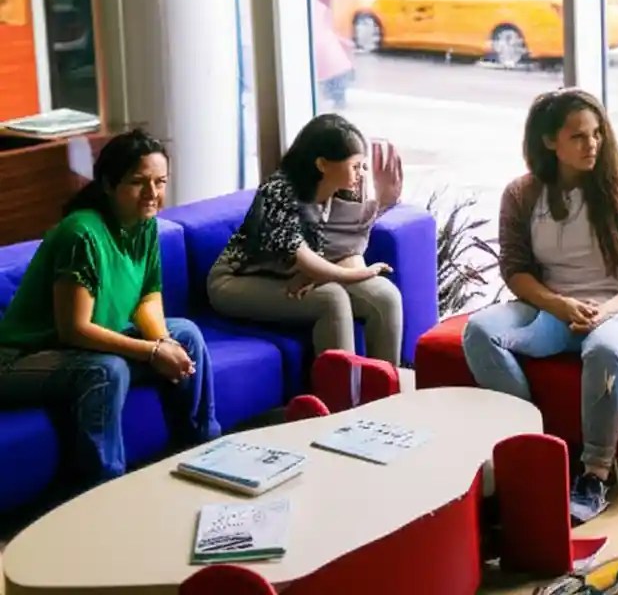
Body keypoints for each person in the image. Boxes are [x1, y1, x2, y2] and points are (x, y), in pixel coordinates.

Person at [462, 88, 618, 524]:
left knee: (605, 348)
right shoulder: (522, 194)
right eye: (578, 136)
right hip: (551, 307)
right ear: (549, 141)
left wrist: (608, 310)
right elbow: (514, 269)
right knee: (480, 331)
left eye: (597, 134)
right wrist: (557, 305)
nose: (591, 144)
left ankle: (594, 472)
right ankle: (532, 448)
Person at [0, 130, 220, 486]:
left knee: (186, 336)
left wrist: (163, 344)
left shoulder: (143, 223)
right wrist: (151, 352)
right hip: (21, 358)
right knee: (105, 370)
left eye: (160, 182)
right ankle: (103, 486)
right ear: (107, 184)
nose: (152, 194)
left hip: (77, 347)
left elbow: (148, 298)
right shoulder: (82, 234)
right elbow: (74, 329)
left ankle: (203, 452)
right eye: (138, 182)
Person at [208, 114, 404, 366]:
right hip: (239, 279)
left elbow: (349, 246)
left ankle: (385, 393)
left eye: (362, 166)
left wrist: (385, 200)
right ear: (323, 164)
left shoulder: (343, 187)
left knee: (385, 296)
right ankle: (343, 400)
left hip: (294, 272)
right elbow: (304, 259)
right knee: (331, 298)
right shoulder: (278, 192)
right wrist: (343, 274)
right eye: (355, 166)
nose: (361, 173)